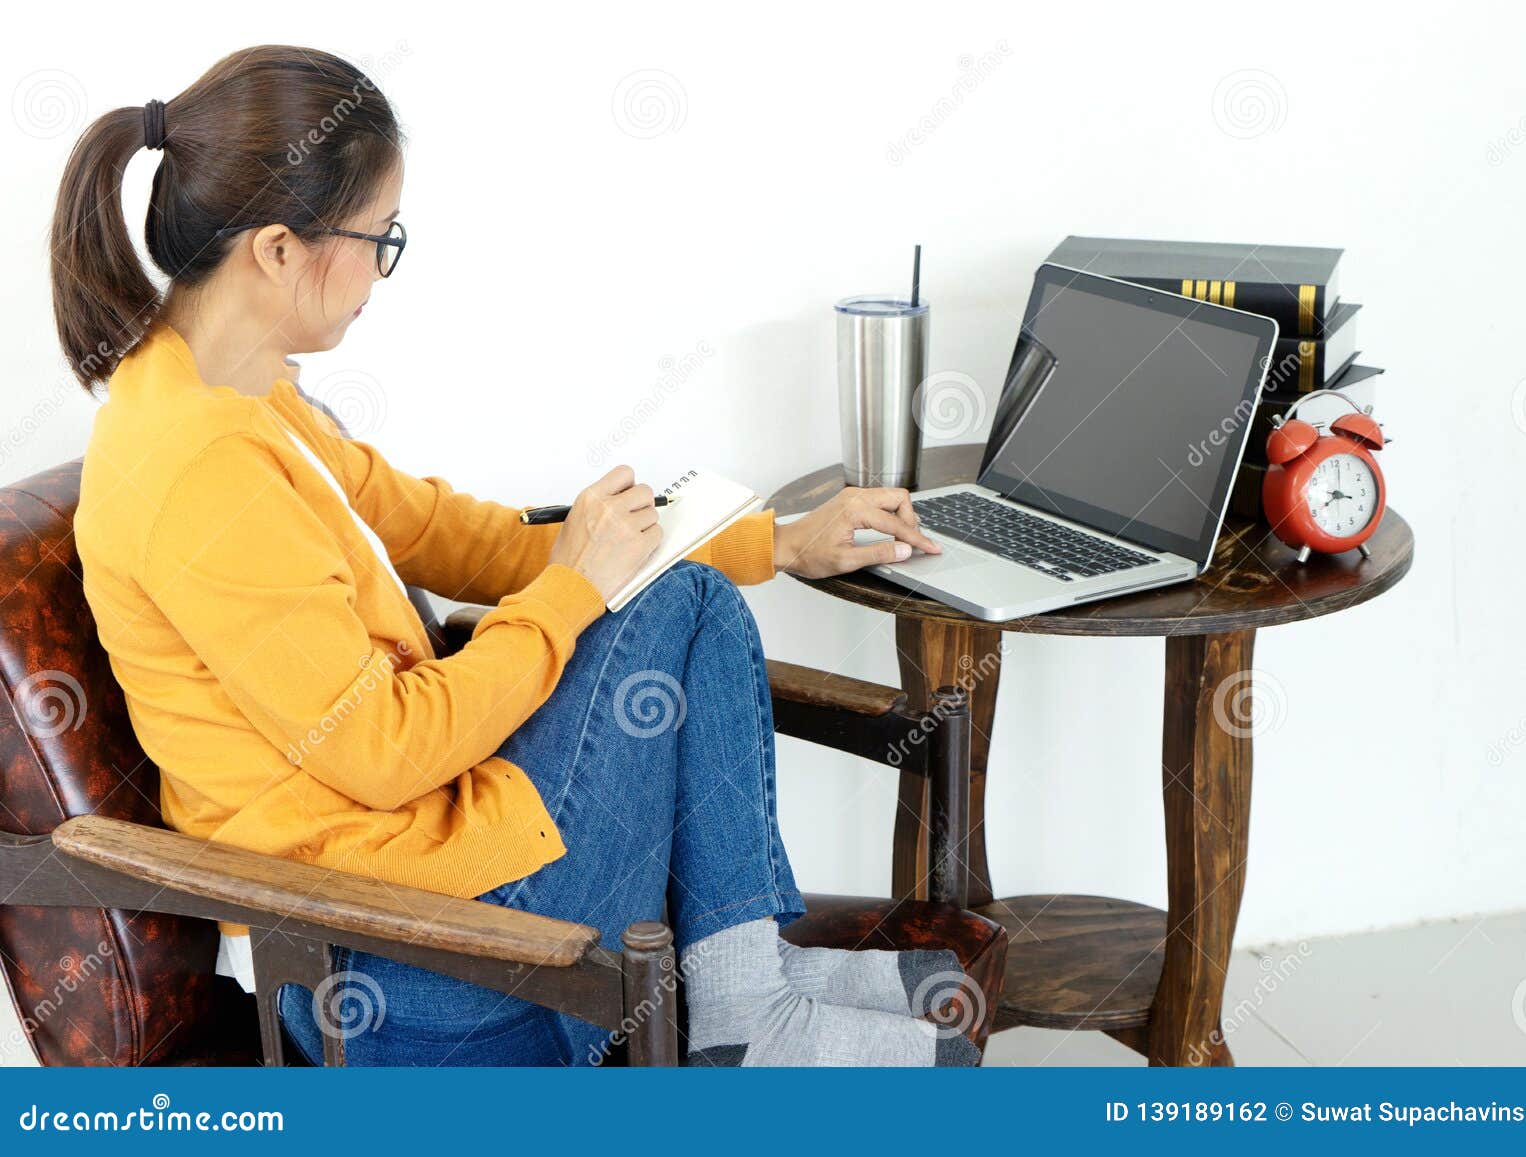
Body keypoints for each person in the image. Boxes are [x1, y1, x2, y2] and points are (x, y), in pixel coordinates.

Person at [51, 45, 969, 1066]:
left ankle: (744, 982)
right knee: (677, 604)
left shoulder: (235, 385)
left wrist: (782, 542)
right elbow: (382, 746)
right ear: (276, 249)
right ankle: (745, 996)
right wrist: (572, 588)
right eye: (377, 237)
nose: (381, 270)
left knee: (694, 593)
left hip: (426, 865)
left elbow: (450, 535)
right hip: (392, 961)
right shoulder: (197, 467)